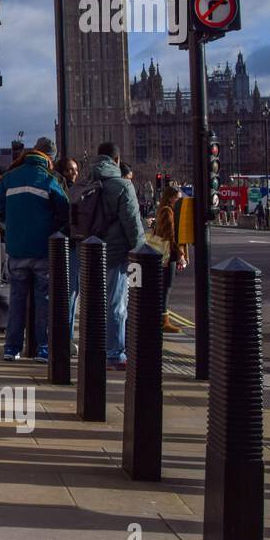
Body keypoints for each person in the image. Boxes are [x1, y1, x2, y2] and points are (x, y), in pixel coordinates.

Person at [0, 137, 69, 362]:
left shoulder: (8, 179)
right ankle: (43, 349)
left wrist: (15, 229)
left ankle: (11, 348)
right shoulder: (50, 179)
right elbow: (65, 212)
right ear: (49, 158)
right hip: (42, 250)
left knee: (17, 300)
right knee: (43, 301)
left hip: (16, 249)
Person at [88, 140, 146, 370]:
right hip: (119, 256)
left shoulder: (86, 181)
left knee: (95, 304)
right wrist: (142, 258)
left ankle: (96, 348)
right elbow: (134, 225)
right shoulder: (123, 185)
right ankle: (115, 353)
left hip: (90, 254)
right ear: (117, 160)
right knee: (118, 305)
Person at [150, 183, 187, 334]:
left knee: (164, 287)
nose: (178, 201)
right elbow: (170, 236)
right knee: (166, 287)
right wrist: (180, 255)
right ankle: (163, 321)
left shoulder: (166, 210)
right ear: (170, 198)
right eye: (177, 199)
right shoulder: (167, 212)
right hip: (168, 254)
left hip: (166, 254)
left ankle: (161, 318)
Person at [57, 156, 82, 347]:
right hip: (68, 246)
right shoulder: (66, 190)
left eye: (76, 170)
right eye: (70, 170)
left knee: (71, 293)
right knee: (70, 293)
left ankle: (63, 337)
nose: (74, 173)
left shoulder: (72, 188)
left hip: (67, 244)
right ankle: (65, 339)